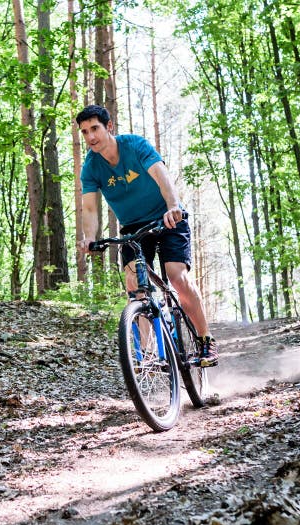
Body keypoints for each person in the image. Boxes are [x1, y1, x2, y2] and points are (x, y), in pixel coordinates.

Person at [75, 105, 218, 366]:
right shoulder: (91, 167)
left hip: (166, 217)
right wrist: (89, 237)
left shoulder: (135, 146)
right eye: (84, 132)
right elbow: (90, 207)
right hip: (133, 228)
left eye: (94, 128)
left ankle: (205, 339)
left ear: (109, 127)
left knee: (176, 276)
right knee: (134, 284)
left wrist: (173, 206)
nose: (90, 137)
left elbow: (162, 177)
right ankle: (149, 355)